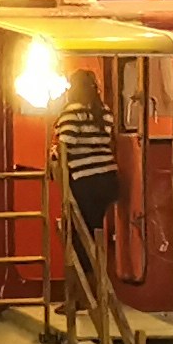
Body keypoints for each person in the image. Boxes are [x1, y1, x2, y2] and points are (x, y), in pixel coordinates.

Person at [52, 73, 122, 245]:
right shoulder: (104, 110)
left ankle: (86, 269)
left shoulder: (72, 111)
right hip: (108, 178)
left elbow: (65, 144)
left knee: (81, 229)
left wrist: (53, 155)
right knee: (97, 227)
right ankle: (99, 265)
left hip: (85, 180)